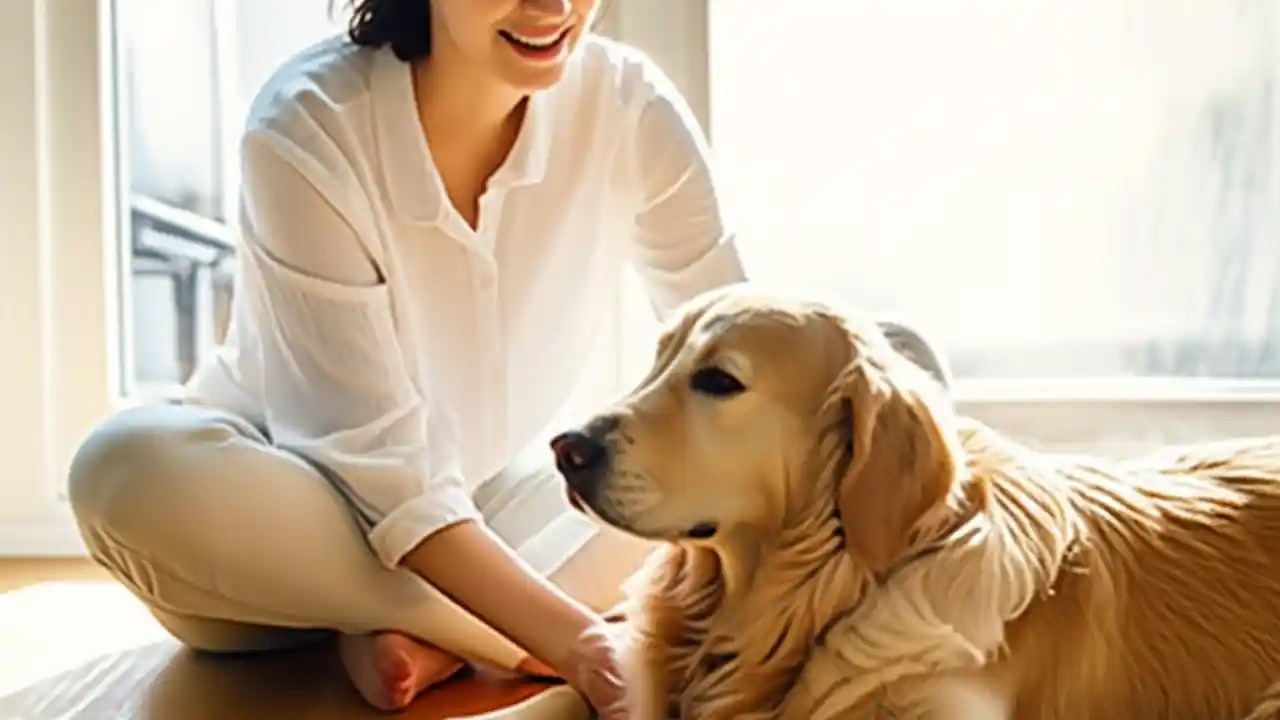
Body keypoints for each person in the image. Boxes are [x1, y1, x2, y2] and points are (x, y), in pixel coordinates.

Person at [66, 0, 949, 716]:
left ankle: (434, 627)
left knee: (891, 365)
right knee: (122, 467)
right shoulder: (306, 130)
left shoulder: (626, 103)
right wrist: (587, 647)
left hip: (497, 516)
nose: (552, 5)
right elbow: (386, 477)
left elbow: (746, 341)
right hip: (278, 537)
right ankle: (449, 625)